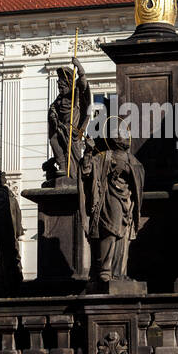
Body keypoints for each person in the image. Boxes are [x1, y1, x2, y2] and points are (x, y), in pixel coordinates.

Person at [79, 135, 145, 282]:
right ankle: (105, 270)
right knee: (110, 230)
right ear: (115, 140)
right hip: (110, 197)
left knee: (123, 235)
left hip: (127, 200)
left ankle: (119, 273)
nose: (127, 139)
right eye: (121, 136)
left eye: (127, 136)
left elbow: (140, 173)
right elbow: (87, 171)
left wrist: (127, 169)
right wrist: (88, 152)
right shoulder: (104, 157)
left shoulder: (131, 160)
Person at [47, 57, 90, 177]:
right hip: (62, 127)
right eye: (59, 88)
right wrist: (53, 113)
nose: (60, 90)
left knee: (73, 152)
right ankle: (62, 165)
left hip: (73, 130)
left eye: (62, 87)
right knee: (53, 139)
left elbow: (83, 82)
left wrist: (79, 66)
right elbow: (53, 108)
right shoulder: (60, 98)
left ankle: (74, 173)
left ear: (68, 85)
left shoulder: (76, 93)